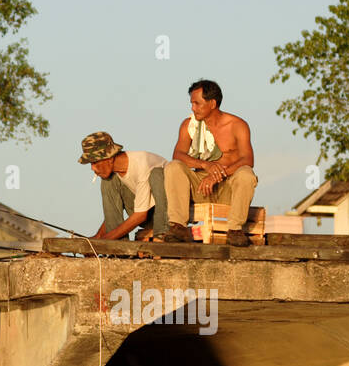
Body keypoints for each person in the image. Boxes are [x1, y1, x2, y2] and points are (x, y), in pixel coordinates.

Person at [160, 79, 258, 246]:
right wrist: (206, 165)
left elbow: (248, 159)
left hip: (228, 186)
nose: (193, 108)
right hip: (201, 187)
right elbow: (178, 154)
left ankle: (234, 230)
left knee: (247, 174)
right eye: (191, 103)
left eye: (197, 103)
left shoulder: (237, 125)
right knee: (173, 166)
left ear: (212, 103)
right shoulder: (189, 125)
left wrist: (218, 175)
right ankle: (178, 227)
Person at [78, 131, 169, 240]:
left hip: (166, 216)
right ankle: (117, 247)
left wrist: (104, 240)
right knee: (108, 181)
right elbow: (114, 211)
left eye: (94, 162)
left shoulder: (142, 164)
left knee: (156, 174)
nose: (92, 168)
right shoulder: (115, 174)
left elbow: (141, 215)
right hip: (145, 216)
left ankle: (161, 236)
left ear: (109, 158)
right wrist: (98, 237)